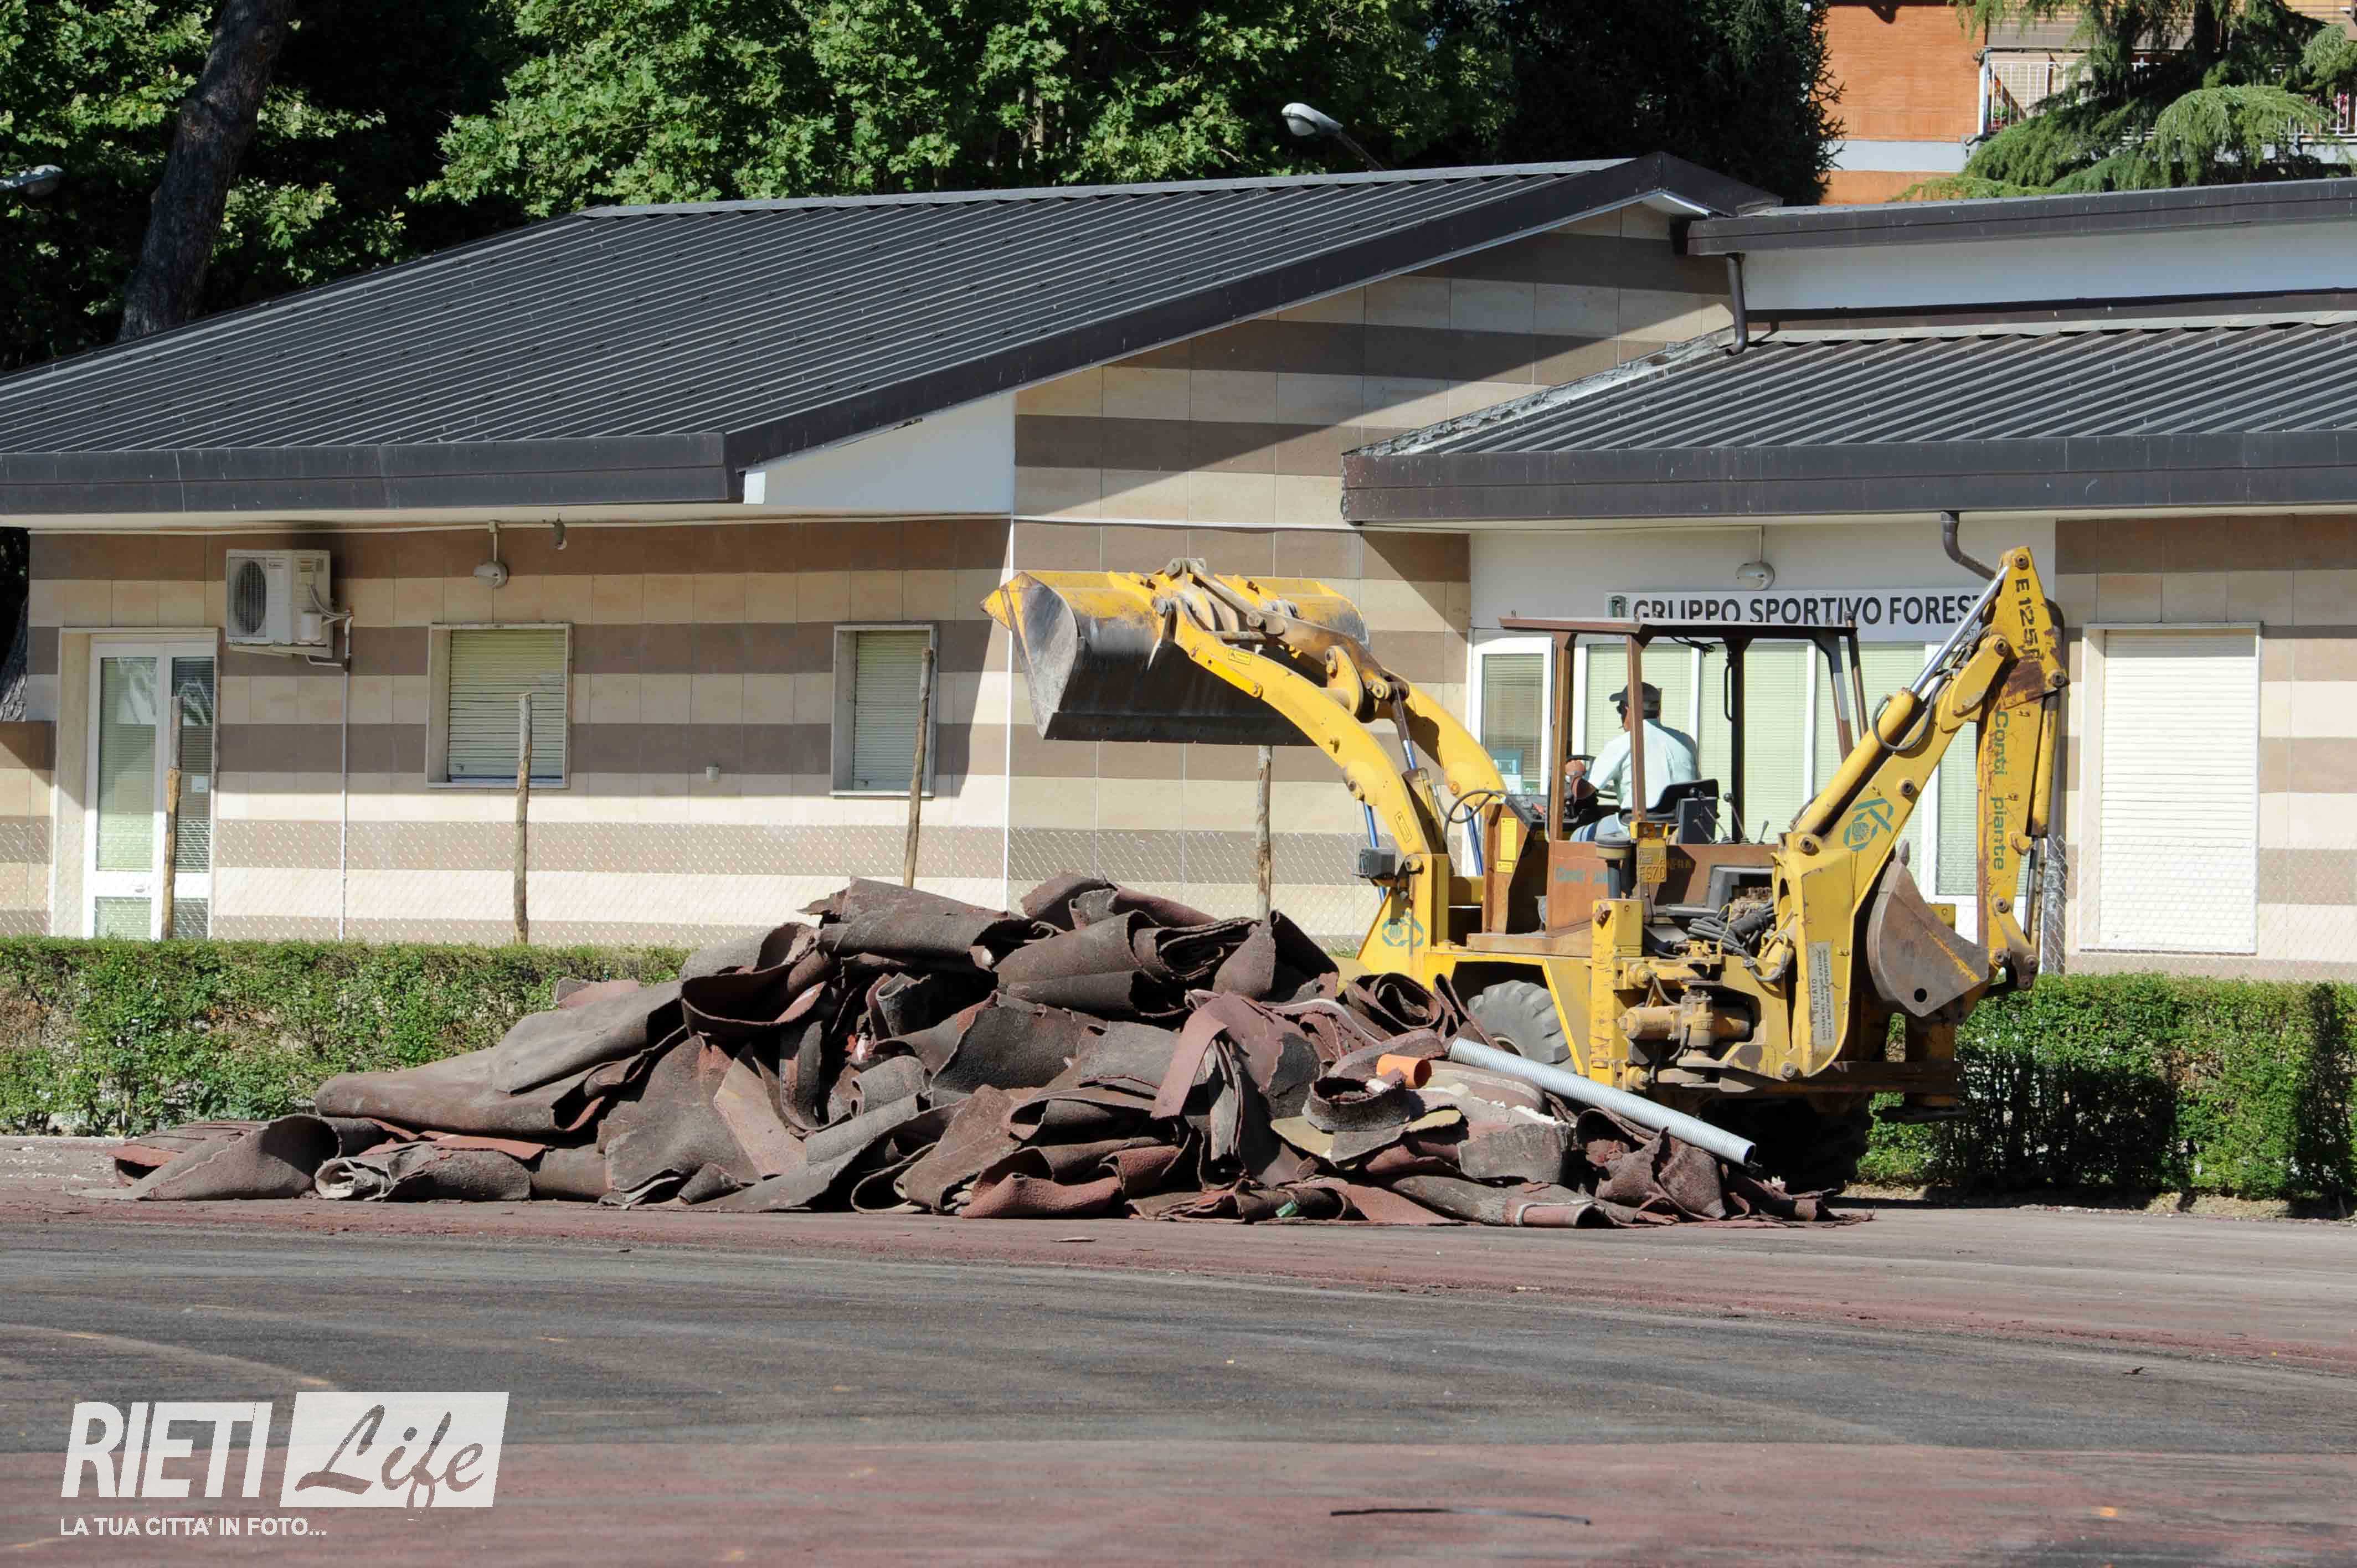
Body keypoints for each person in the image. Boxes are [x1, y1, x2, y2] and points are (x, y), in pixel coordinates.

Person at [1565, 683, 1699, 842]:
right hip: (1681, 827)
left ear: (1627, 709)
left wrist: (1576, 773)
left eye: (1619, 710)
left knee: (1577, 837)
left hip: (1638, 827)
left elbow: (1581, 792)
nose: (1621, 717)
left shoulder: (1623, 743)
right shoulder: (1686, 742)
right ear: (1658, 711)